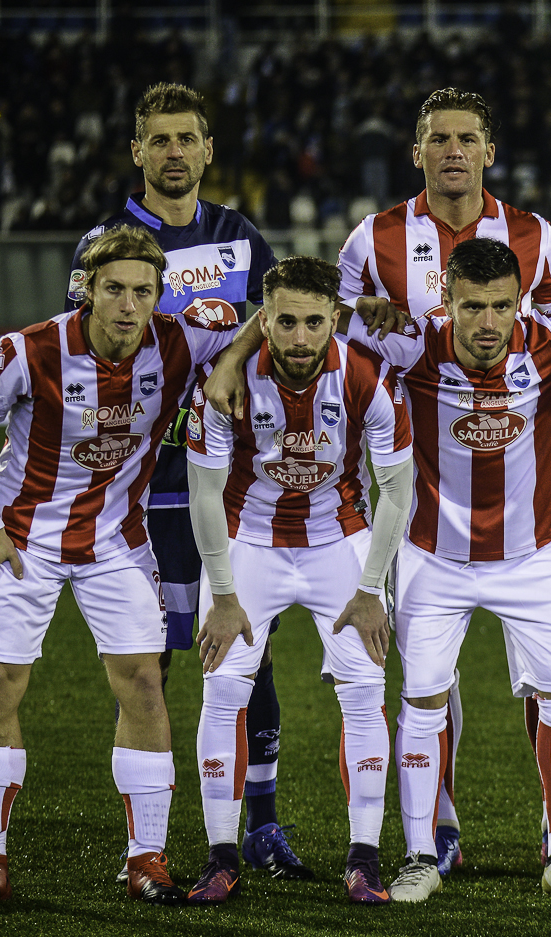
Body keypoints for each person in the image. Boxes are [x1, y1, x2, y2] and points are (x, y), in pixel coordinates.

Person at [0, 225, 241, 908]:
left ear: (159, 295)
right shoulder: (30, 349)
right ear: (87, 289)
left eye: (143, 290)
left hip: (117, 541)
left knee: (144, 682)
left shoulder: (178, 341)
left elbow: (259, 329)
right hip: (23, 539)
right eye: (114, 289)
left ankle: (147, 858)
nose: (129, 304)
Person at [64, 83, 304, 880]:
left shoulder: (240, 239)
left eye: (186, 140)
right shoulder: (105, 241)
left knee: (249, 651)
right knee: (152, 661)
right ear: (138, 152)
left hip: (230, 484)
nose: (173, 152)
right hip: (140, 487)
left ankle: (261, 824)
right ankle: (154, 837)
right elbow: (82, 345)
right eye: (158, 140)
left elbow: (276, 321)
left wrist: (234, 353)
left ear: (207, 151)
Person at [335, 88, 551, 875]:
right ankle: (433, 828)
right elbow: (322, 321)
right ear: (417, 152)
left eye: (467, 137)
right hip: (421, 490)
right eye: (437, 137)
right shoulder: (374, 237)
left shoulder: (534, 236)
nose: (452, 150)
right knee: (423, 679)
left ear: (488, 151)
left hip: (522, 492)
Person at [181, 257, 413, 906]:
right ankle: (221, 856)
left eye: (315, 322)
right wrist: (223, 596)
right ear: (266, 319)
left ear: (335, 319)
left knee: (365, 691)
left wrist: (370, 588)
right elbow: (204, 494)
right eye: (286, 322)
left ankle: (363, 858)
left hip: (338, 543)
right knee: (224, 689)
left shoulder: (366, 375)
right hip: (246, 542)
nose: (302, 336)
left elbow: (397, 490)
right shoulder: (224, 381)